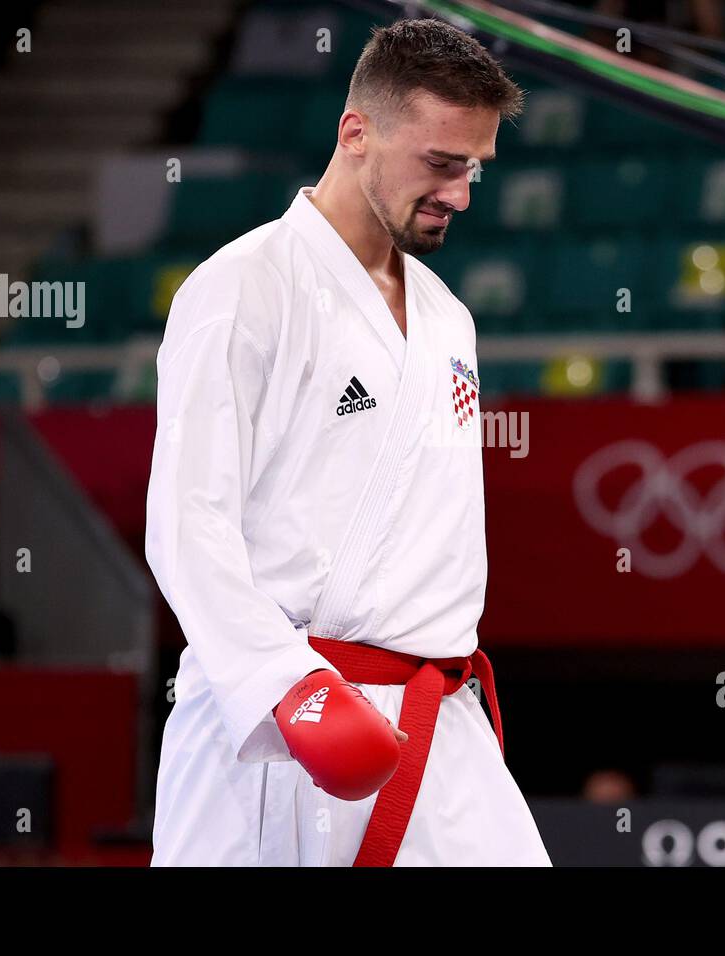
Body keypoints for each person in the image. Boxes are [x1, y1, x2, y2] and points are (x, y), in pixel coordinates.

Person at [145, 18, 550, 866]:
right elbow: (188, 527)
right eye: (441, 164)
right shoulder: (244, 288)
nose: (461, 194)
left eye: (474, 169)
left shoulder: (449, 317)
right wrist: (289, 690)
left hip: (439, 718)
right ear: (356, 133)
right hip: (287, 723)